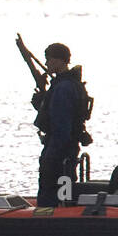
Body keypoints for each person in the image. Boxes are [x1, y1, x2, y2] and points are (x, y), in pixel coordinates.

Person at [33, 43, 87, 207]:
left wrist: (53, 155)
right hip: (69, 148)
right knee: (65, 190)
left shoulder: (62, 88)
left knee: (51, 193)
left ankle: (49, 219)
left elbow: (61, 124)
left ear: (59, 61)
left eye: (49, 59)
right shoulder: (72, 84)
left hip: (59, 150)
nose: (47, 63)